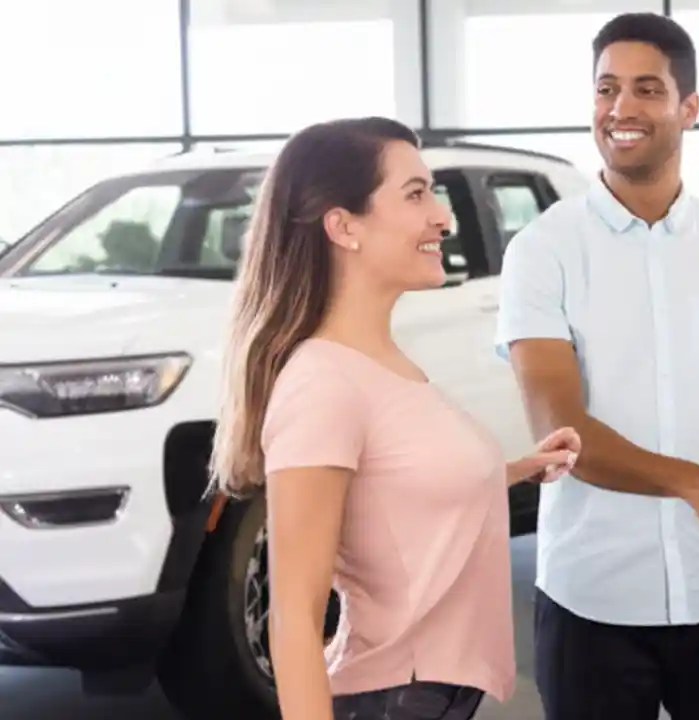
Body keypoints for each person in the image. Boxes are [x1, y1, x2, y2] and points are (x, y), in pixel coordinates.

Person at [207, 117, 581, 720]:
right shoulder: (323, 383)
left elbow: (395, 484)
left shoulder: (377, 360)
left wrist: (511, 470)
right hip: (391, 700)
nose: (443, 217)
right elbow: (294, 619)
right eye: (416, 194)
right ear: (344, 226)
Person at [494, 12, 699, 720]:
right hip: (590, 599)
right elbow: (560, 429)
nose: (620, 109)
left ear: (688, 108)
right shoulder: (542, 252)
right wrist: (697, 486)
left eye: (645, 89)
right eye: (606, 90)